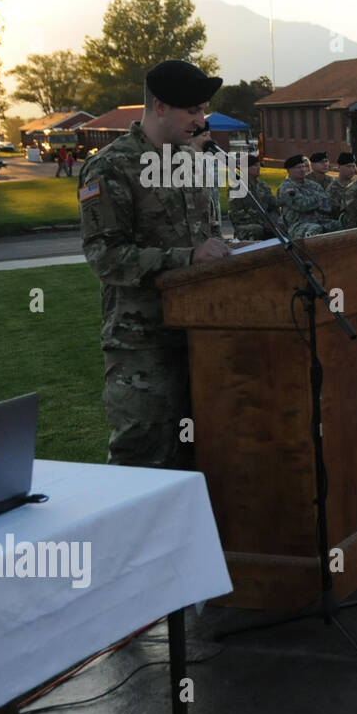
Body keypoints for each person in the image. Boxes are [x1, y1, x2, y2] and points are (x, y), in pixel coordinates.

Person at [78, 59, 230, 469]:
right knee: (143, 461)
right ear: (160, 106)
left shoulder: (192, 162)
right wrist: (188, 257)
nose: (201, 121)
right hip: (144, 344)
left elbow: (205, 236)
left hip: (202, 334)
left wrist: (232, 249)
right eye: (192, 110)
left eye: (203, 110)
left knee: (205, 458)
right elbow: (105, 257)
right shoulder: (110, 166)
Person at [278, 154, 342, 238]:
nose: (302, 170)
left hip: (319, 220)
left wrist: (313, 201)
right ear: (289, 170)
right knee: (315, 229)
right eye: (298, 167)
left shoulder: (313, 185)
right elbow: (302, 205)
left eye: (303, 166)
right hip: (297, 225)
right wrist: (318, 199)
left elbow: (327, 205)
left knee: (340, 226)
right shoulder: (286, 187)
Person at [230, 153, 280, 241]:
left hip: (266, 223)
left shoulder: (263, 186)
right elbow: (237, 215)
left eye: (259, 165)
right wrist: (263, 222)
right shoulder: (236, 188)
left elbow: (274, 206)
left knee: (282, 226)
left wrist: (272, 220)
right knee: (257, 229)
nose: (258, 168)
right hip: (246, 225)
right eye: (255, 166)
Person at [326, 151, 356, 217]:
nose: (352, 170)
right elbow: (333, 212)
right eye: (348, 166)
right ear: (339, 167)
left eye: (353, 166)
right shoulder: (333, 188)